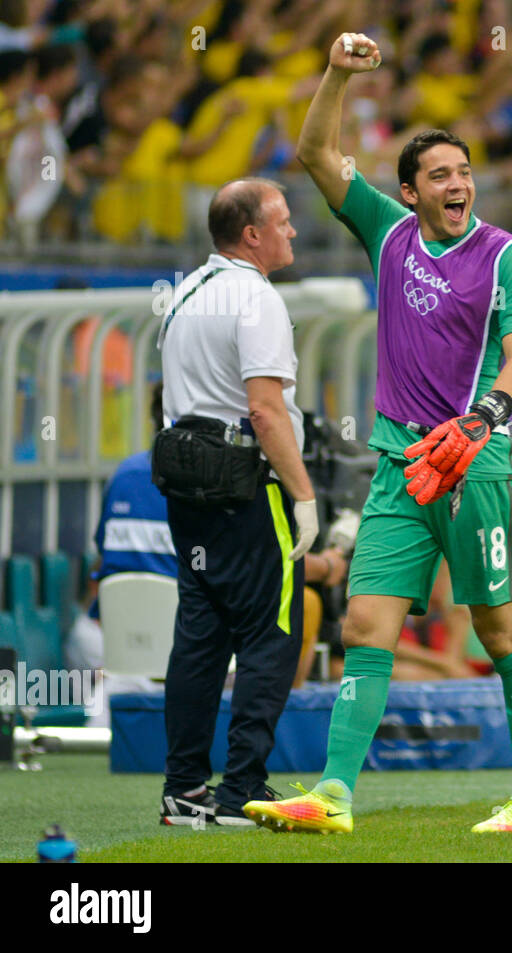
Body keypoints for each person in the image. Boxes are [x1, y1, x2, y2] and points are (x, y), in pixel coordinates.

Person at [246, 32, 512, 835]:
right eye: (440, 176)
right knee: (366, 625)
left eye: (464, 172)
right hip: (398, 464)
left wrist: (486, 414)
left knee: (499, 630)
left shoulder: (505, 255)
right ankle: (335, 795)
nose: (458, 184)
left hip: (475, 464)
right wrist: (338, 74)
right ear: (411, 192)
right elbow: (315, 150)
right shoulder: (386, 232)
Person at [156, 177, 318, 827]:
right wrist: (303, 494)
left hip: (186, 483)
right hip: (248, 486)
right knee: (270, 635)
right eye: (283, 221)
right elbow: (264, 407)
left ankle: (184, 789)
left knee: (199, 635)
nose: (294, 231)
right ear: (251, 235)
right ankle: (241, 789)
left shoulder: (185, 293)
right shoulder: (256, 299)